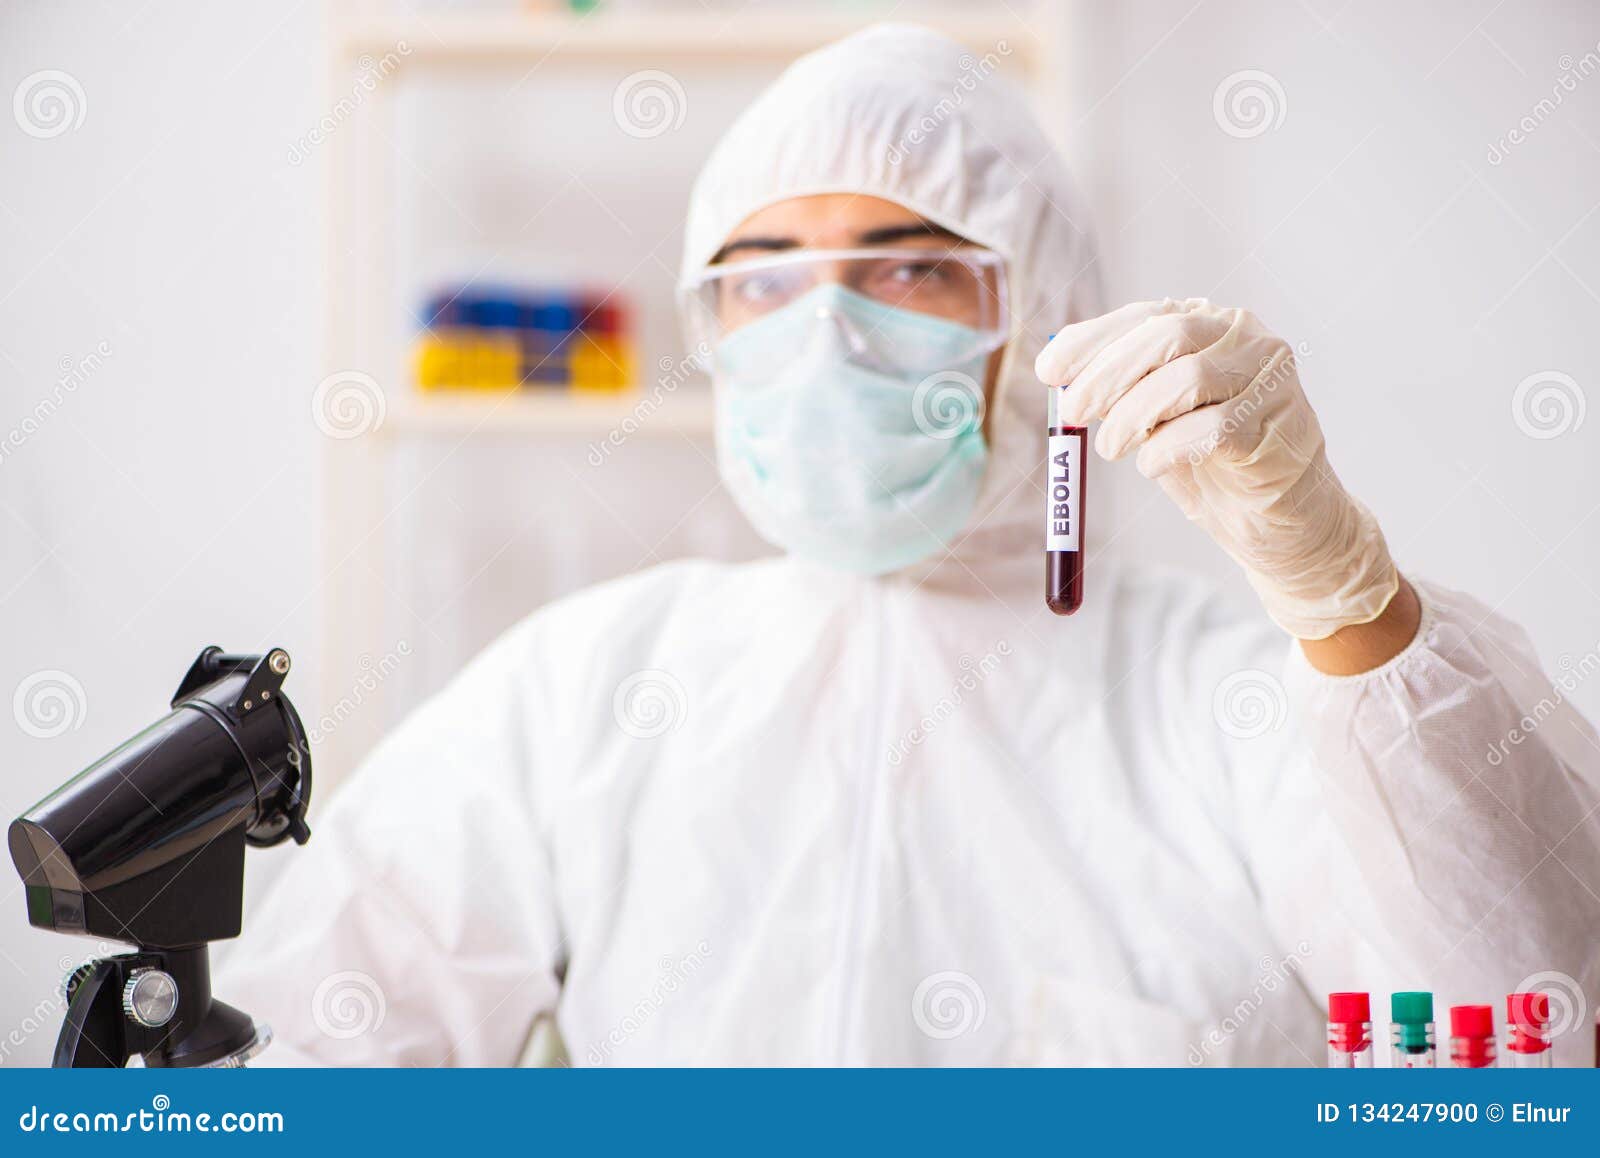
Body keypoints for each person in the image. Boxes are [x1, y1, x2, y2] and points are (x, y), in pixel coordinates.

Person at [220, 24, 1600, 1066]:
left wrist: (1345, 600)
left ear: (1041, 312)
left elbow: (1523, 1022)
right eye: (763, 278)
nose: (827, 330)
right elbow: (299, 1059)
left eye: (910, 266)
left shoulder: (1219, 693)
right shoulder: (592, 686)